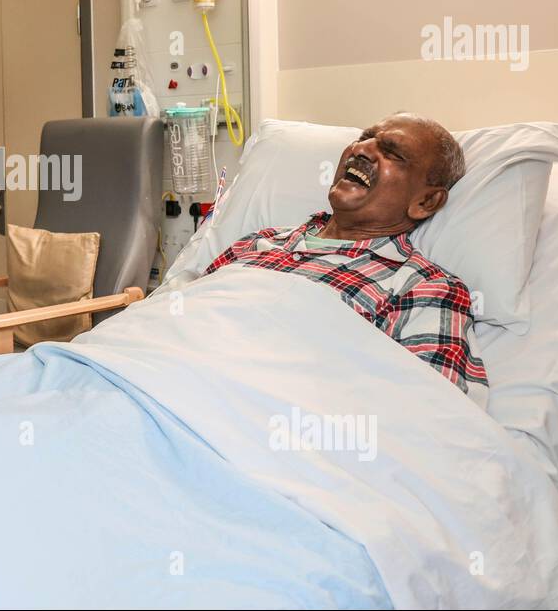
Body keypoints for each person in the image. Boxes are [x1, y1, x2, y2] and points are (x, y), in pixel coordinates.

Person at [204, 113, 488, 401]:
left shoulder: (424, 288)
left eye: (392, 153)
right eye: (364, 139)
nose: (360, 149)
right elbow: (181, 317)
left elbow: (432, 414)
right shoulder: (255, 243)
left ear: (426, 202)